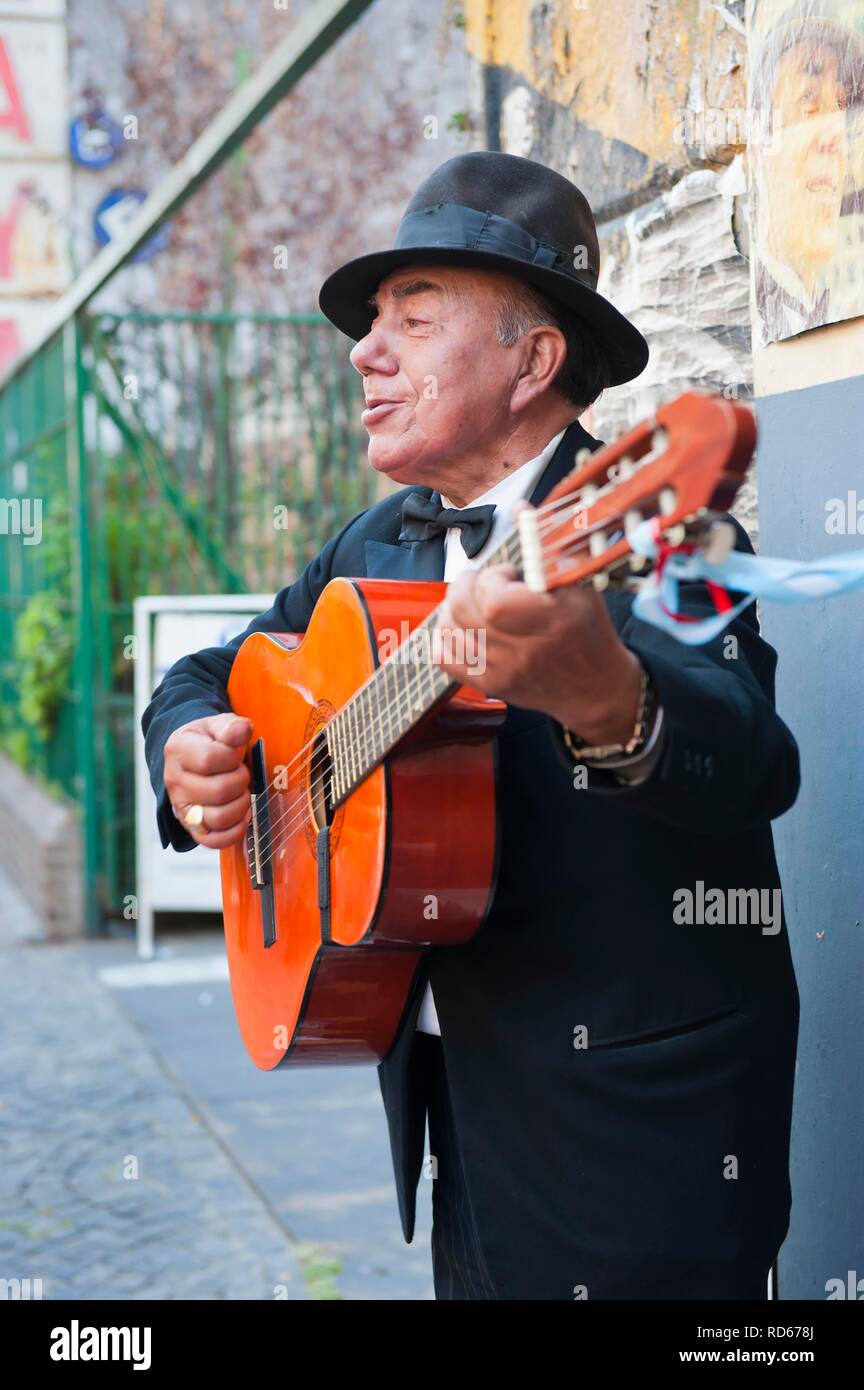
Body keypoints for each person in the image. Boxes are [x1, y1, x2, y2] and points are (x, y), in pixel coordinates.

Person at [142, 151, 800, 1301]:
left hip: (636, 1151)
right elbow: (210, 671)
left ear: (533, 360)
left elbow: (752, 759)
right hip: (462, 1136)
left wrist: (614, 701)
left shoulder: (659, 540)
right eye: (371, 323)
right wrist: (190, 748)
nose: (364, 350)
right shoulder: (378, 544)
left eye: (416, 315)